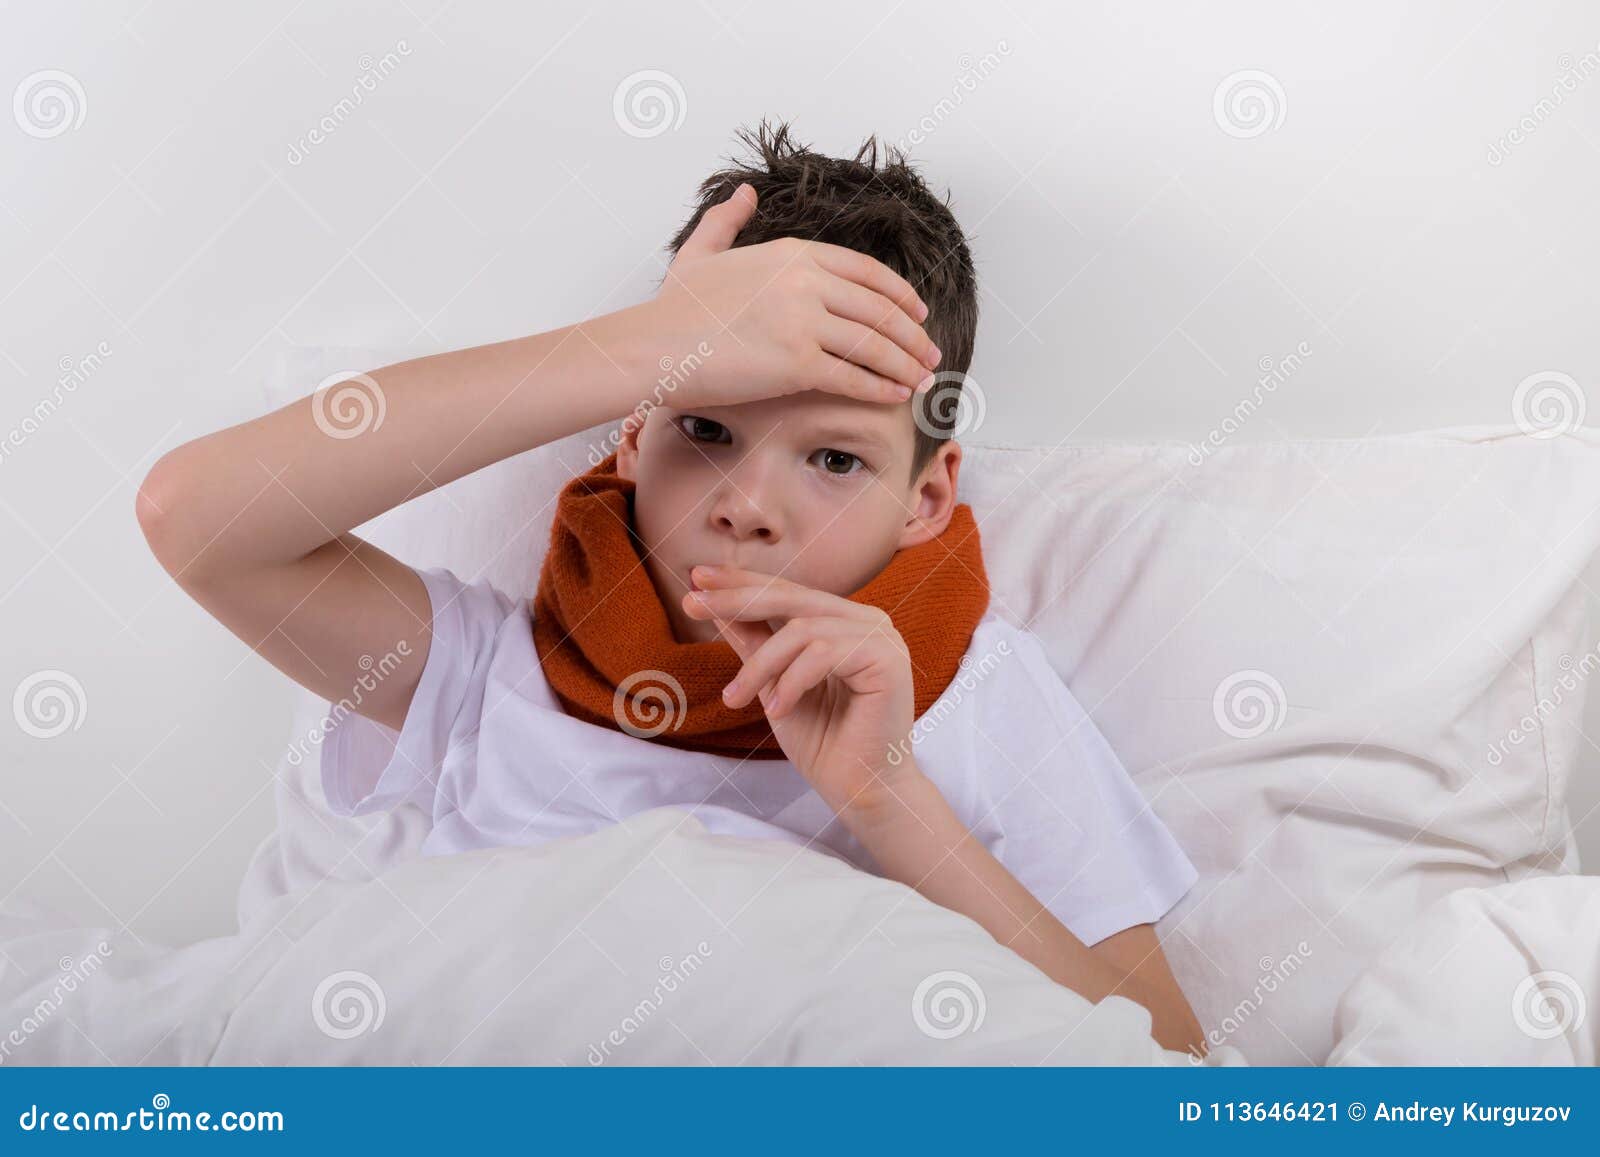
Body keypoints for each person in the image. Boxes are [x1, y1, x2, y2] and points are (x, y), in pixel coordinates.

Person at [137, 120, 1206, 1055]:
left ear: (925, 499)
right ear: (634, 433)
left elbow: (1169, 1073)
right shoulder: (486, 675)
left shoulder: (980, 701)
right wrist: (654, 344)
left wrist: (885, 795)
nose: (750, 505)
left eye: (834, 459)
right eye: (705, 427)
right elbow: (197, 519)